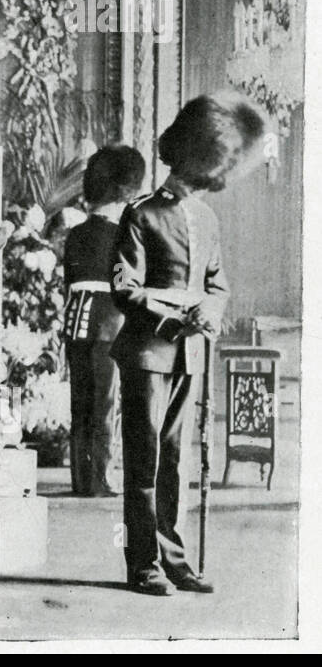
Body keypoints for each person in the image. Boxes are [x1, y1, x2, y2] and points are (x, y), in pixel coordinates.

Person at [111, 93, 265, 596]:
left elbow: (217, 285)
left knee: (175, 457)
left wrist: (211, 311)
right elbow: (125, 289)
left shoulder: (207, 219)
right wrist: (180, 312)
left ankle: (172, 556)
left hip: (189, 354)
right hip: (146, 351)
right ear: (188, 155)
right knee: (144, 458)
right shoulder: (140, 215)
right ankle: (142, 563)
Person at [63, 144, 145, 498]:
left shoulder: (76, 233)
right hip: (110, 323)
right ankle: (102, 477)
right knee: (106, 405)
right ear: (122, 194)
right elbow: (128, 284)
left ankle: (82, 479)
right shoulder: (124, 234)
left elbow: (69, 280)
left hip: (76, 322)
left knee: (80, 403)